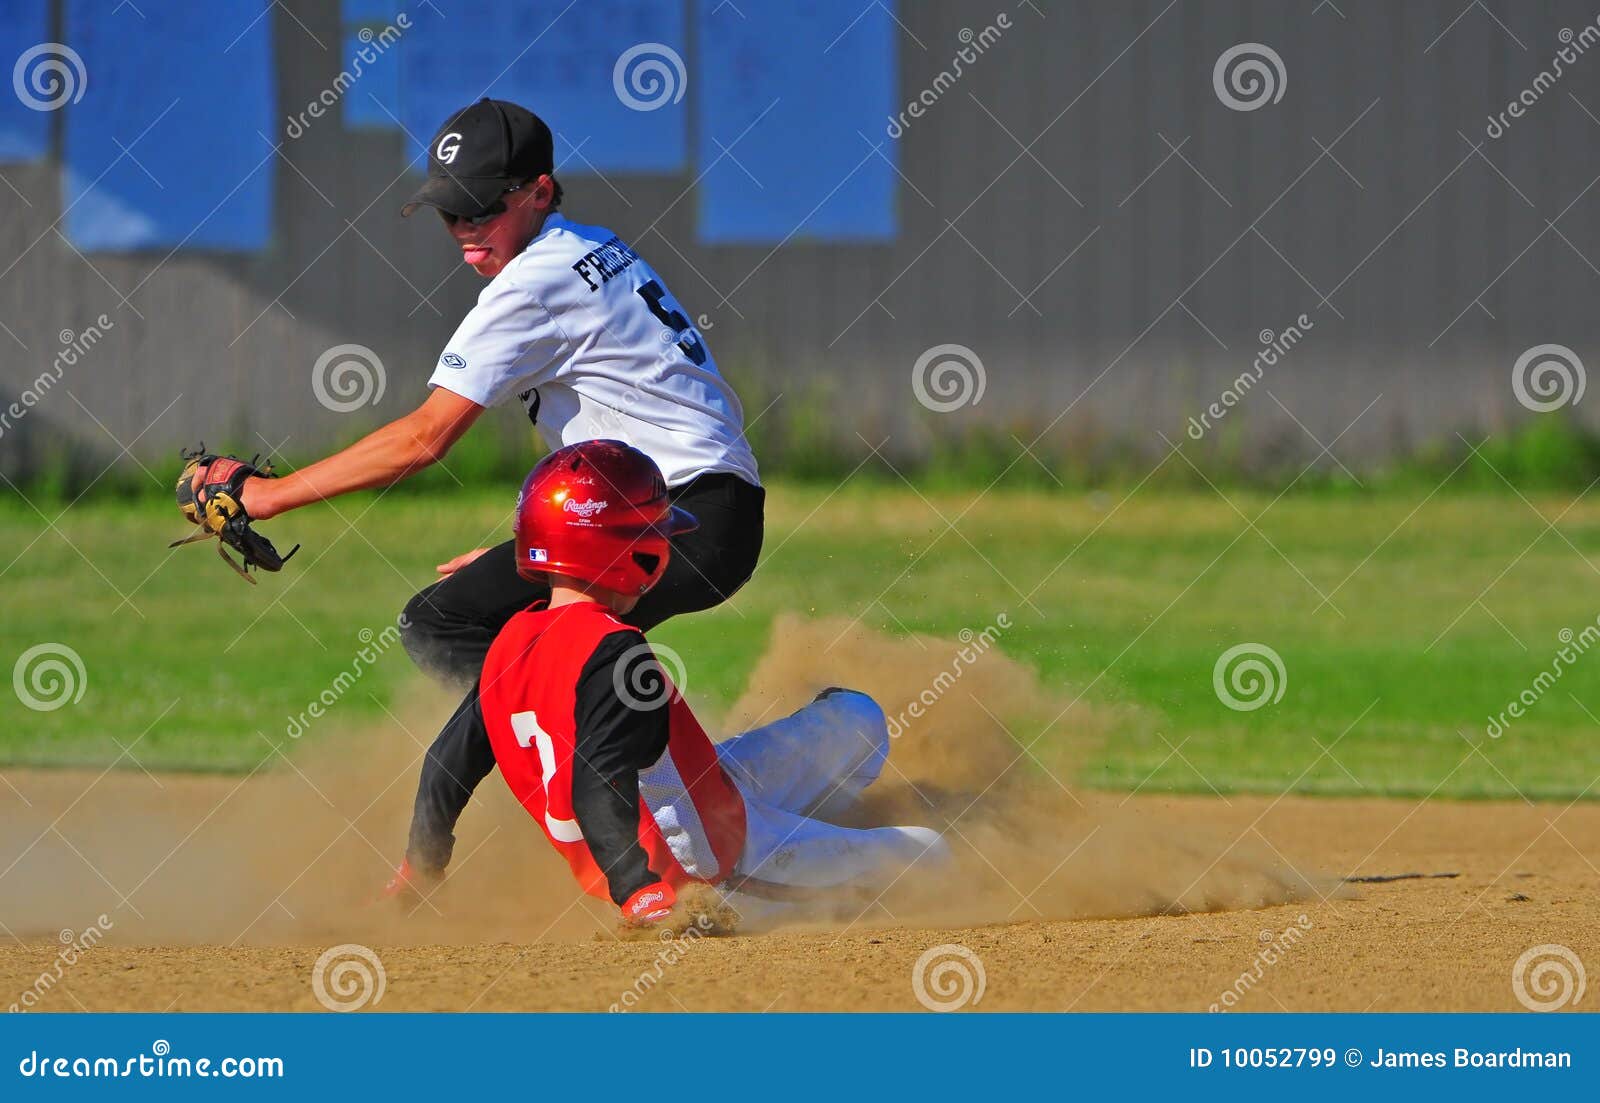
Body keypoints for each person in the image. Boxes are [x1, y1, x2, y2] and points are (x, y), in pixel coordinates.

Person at [225, 97, 763, 886]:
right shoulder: (589, 247)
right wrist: (554, 551)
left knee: (506, 646)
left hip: (680, 515)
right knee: (466, 626)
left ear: (540, 192)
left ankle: (669, 846)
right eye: (451, 213)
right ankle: (652, 790)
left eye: (484, 206)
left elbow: (423, 438)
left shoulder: (531, 286)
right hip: (673, 510)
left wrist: (267, 495)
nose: (467, 228)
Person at [391, 439, 945, 928]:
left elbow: (446, 763)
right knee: (934, 859)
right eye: (651, 531)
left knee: (861, 720)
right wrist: (639, 893)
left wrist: (422, 864)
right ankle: (795, 865)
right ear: (625, 553)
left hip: (702, 790)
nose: (662, 542)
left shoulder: (511, 642)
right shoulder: (615, 652)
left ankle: (812, 835)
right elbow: (597, 780)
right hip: (705, 862)